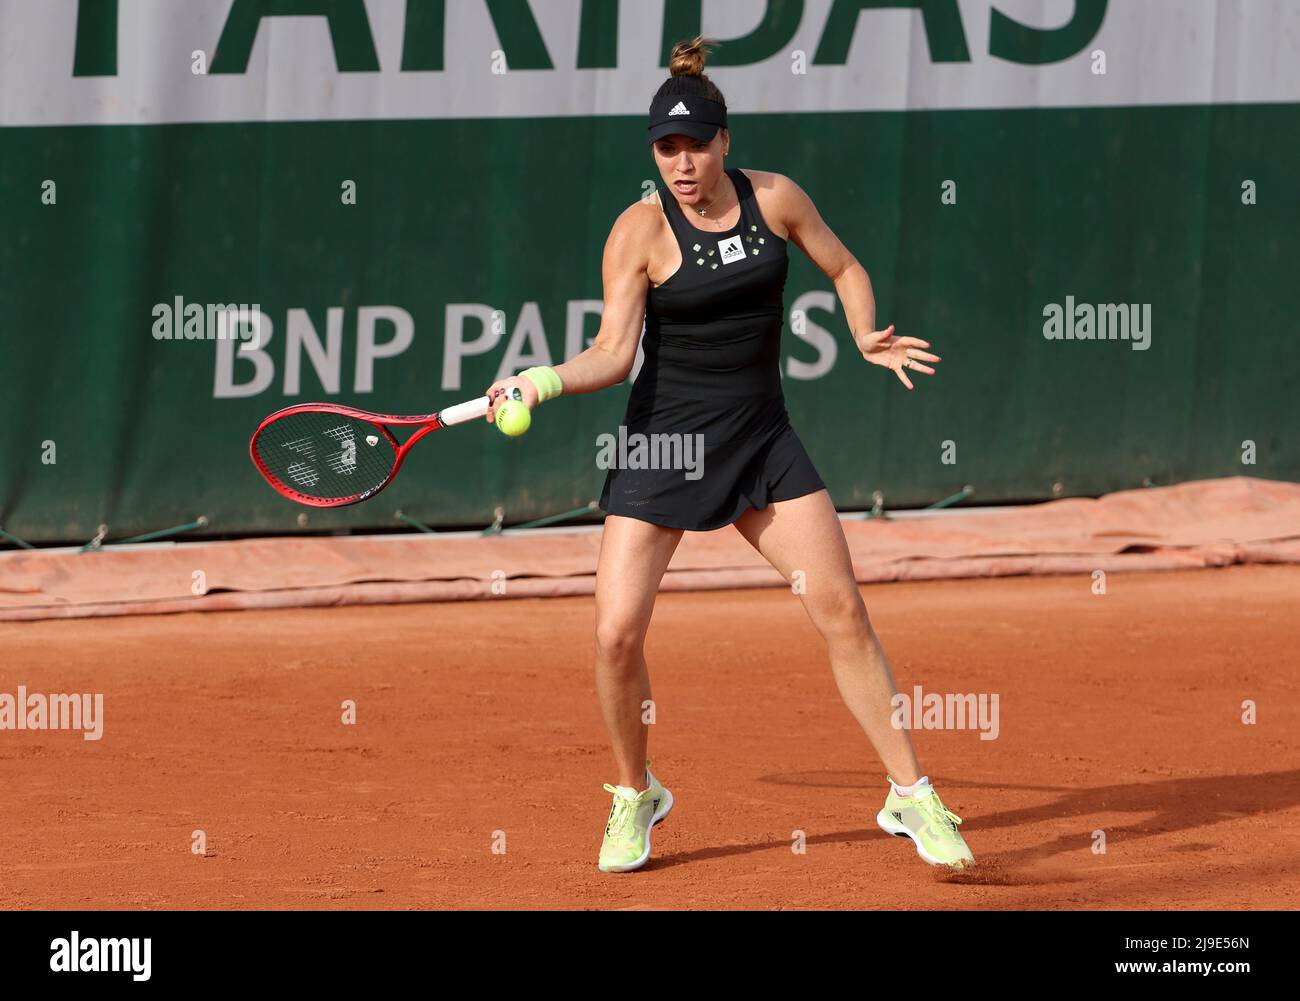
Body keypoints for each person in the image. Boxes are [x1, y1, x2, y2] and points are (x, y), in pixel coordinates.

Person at [486, 37, 973, 874]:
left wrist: (863, 332)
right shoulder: (637, 232)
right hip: (664, 443)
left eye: (695, 145)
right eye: (666, 148)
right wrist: (538, 381)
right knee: (613, 637)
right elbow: (609, 354)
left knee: (844, 612)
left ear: (724, 141)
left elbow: (845, 265)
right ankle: (635, 794)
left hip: (760, 440)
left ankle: (910, 792)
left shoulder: (776, 198)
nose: (681, 162)